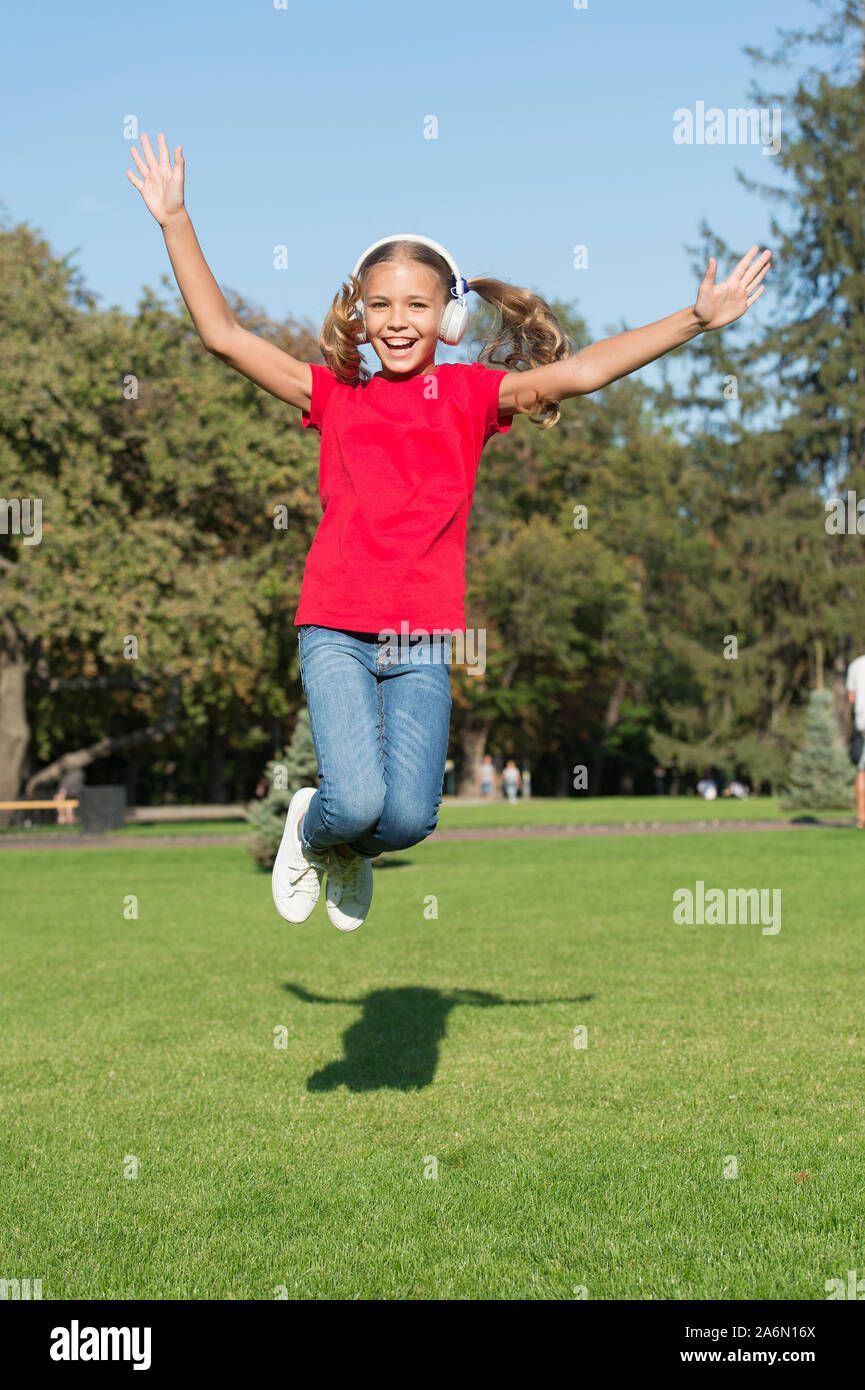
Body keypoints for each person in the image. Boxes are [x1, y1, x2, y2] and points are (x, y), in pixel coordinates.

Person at [127, 131, 771, 931]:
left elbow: (580, 372)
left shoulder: (471, 396)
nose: (398, 322)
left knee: (406, 822)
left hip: (424, 637)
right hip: (334, 624)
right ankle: (313, 826)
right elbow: (222, 335)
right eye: (382, 306)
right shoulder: (335, 393)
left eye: (417, 306)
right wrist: (176, 219)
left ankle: (346, 848)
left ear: (448, 316)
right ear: (359, 313)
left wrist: (695, 321)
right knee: (355, 798)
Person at [847, 652, 865, 828]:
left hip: (862, 723)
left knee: (862, 772)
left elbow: (851, 698)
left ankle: (862, 818)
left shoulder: (855, 665)